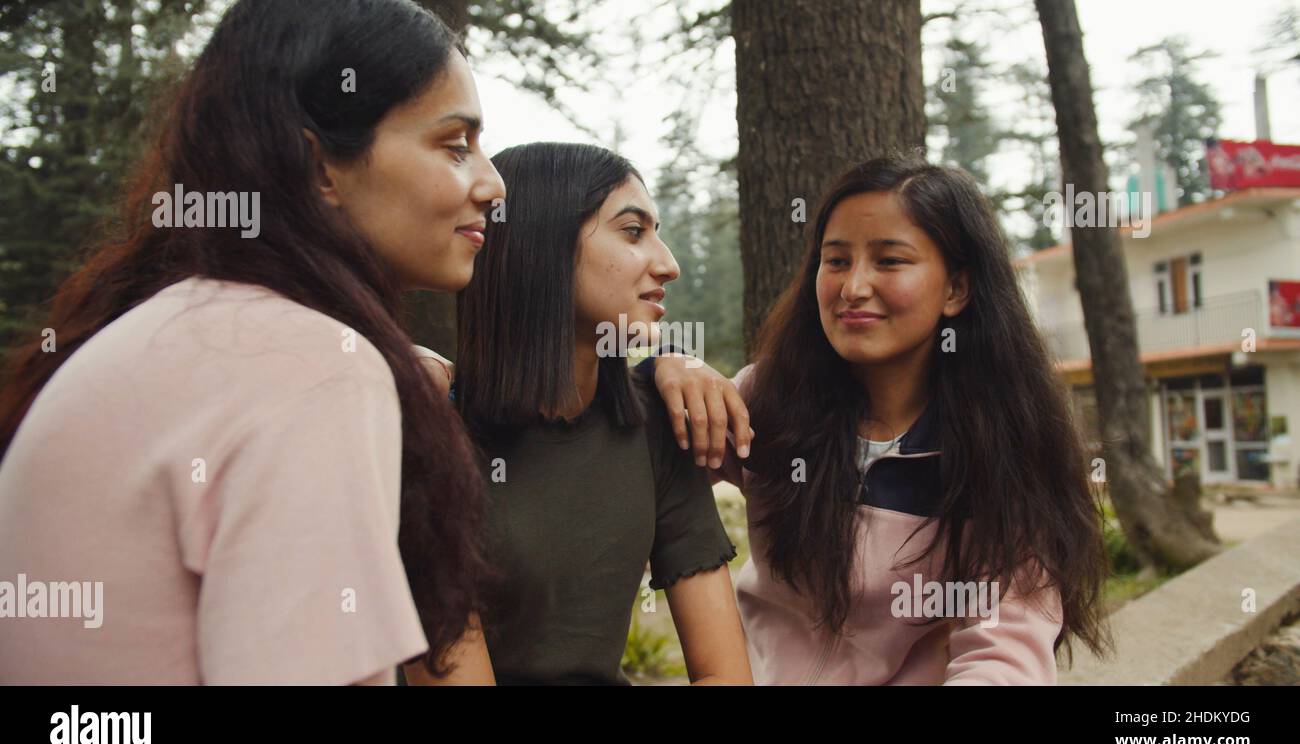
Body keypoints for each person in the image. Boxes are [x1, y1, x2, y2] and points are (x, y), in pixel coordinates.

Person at [0, 0, 505, 685]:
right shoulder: (309, 367)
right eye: (454, 145)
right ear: (320, 165)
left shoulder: (181, 329)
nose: (492, 184)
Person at [718, 155, 1112, 684]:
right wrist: (667, 369)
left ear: (956, 290)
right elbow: (634, 473)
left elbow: (1002, 656)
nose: (853, 287)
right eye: (835, 261)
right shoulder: (764, 401)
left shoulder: (1001, 448)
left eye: (890, 261)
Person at [404, 142, 753, 685]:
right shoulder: (430, 430)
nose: (669, 264)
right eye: (633, 232)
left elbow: (724, 675)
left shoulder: (658, 421)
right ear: (541, 246)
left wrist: (671, 360)